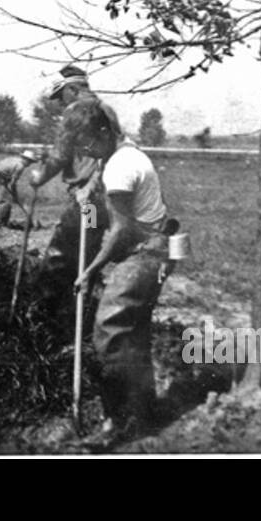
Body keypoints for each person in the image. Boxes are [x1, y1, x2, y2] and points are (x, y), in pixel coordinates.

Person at [71, 103, 170, 440]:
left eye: (87, 143)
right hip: (156, 249)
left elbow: (120, 231)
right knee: (134, 333)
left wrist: (90, 270)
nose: (84, 151)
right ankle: (144, 413)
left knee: (110, 328)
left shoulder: (120, 166)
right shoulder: (119, 153)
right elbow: (97, 215)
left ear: (104, 132)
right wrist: (86, 202)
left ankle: (118, 421)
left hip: (146, 252)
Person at [27, 65, 121, 287]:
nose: (60, 103)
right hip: (105, 197)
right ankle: (84, 296)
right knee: (88, 246)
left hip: (86, 198)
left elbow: (60, 155)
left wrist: (38, 177)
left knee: (60, 254)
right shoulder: (107, 110)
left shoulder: (75, 110)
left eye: (60, 97)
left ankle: (52, 305)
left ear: (72, 89)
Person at [0, 150, 37, 226]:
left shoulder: (13, 159)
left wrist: (5, 181)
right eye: (29, 161)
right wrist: (15, 195)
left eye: (31, 162)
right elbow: (13, 184)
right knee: (0, 202)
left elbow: (5, 171)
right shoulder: (20, 166)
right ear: (25, 159)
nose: (29, 164)